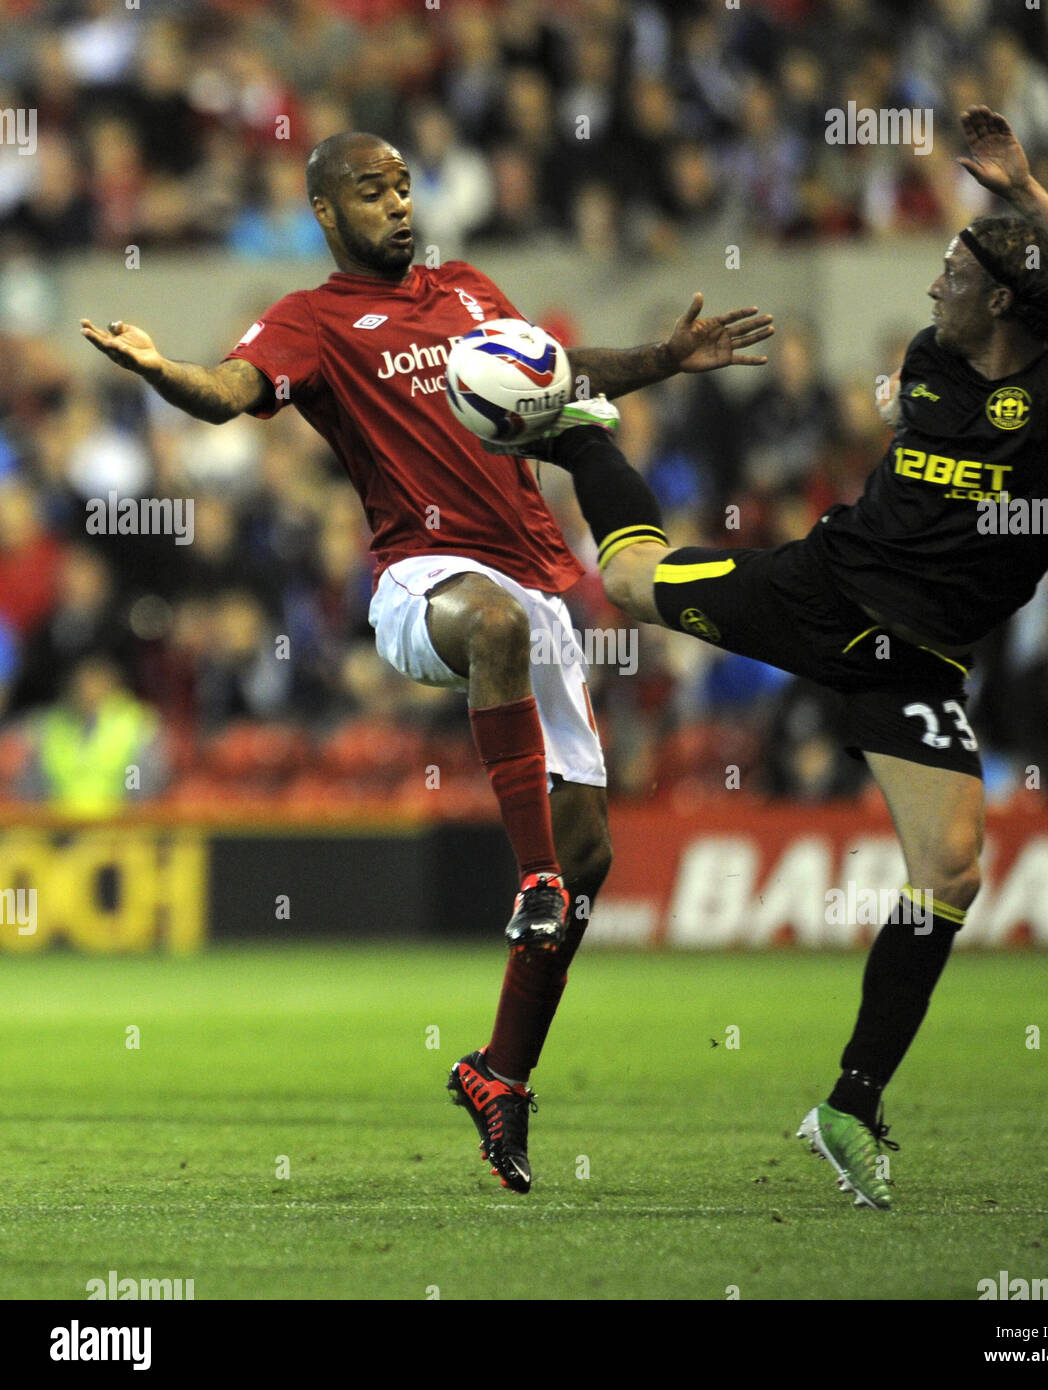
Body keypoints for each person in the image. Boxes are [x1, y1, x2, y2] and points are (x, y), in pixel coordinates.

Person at [80, 130, 772, 1195]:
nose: (398, 204)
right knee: (496, 649)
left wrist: (662, 361)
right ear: (325, 211)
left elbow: (555, 378)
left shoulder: (467, 290)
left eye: (404, 185)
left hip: (539, 581)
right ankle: (527, 875)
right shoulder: (312, 321)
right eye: (371, 190)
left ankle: (500, 1073)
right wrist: (161, 369)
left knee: (591, 851)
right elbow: (230, 391)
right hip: (424, 575)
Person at [501, 107, 1048, 1208]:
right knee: (624, 582)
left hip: (919, 664)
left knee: (950, 872)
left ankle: (846, 1103)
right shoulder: (929, 357)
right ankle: (576, 429)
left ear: (999, 293)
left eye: (952, 263)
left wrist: (1025, 193)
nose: (934, 276)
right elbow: (911, 419)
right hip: (817, 592)